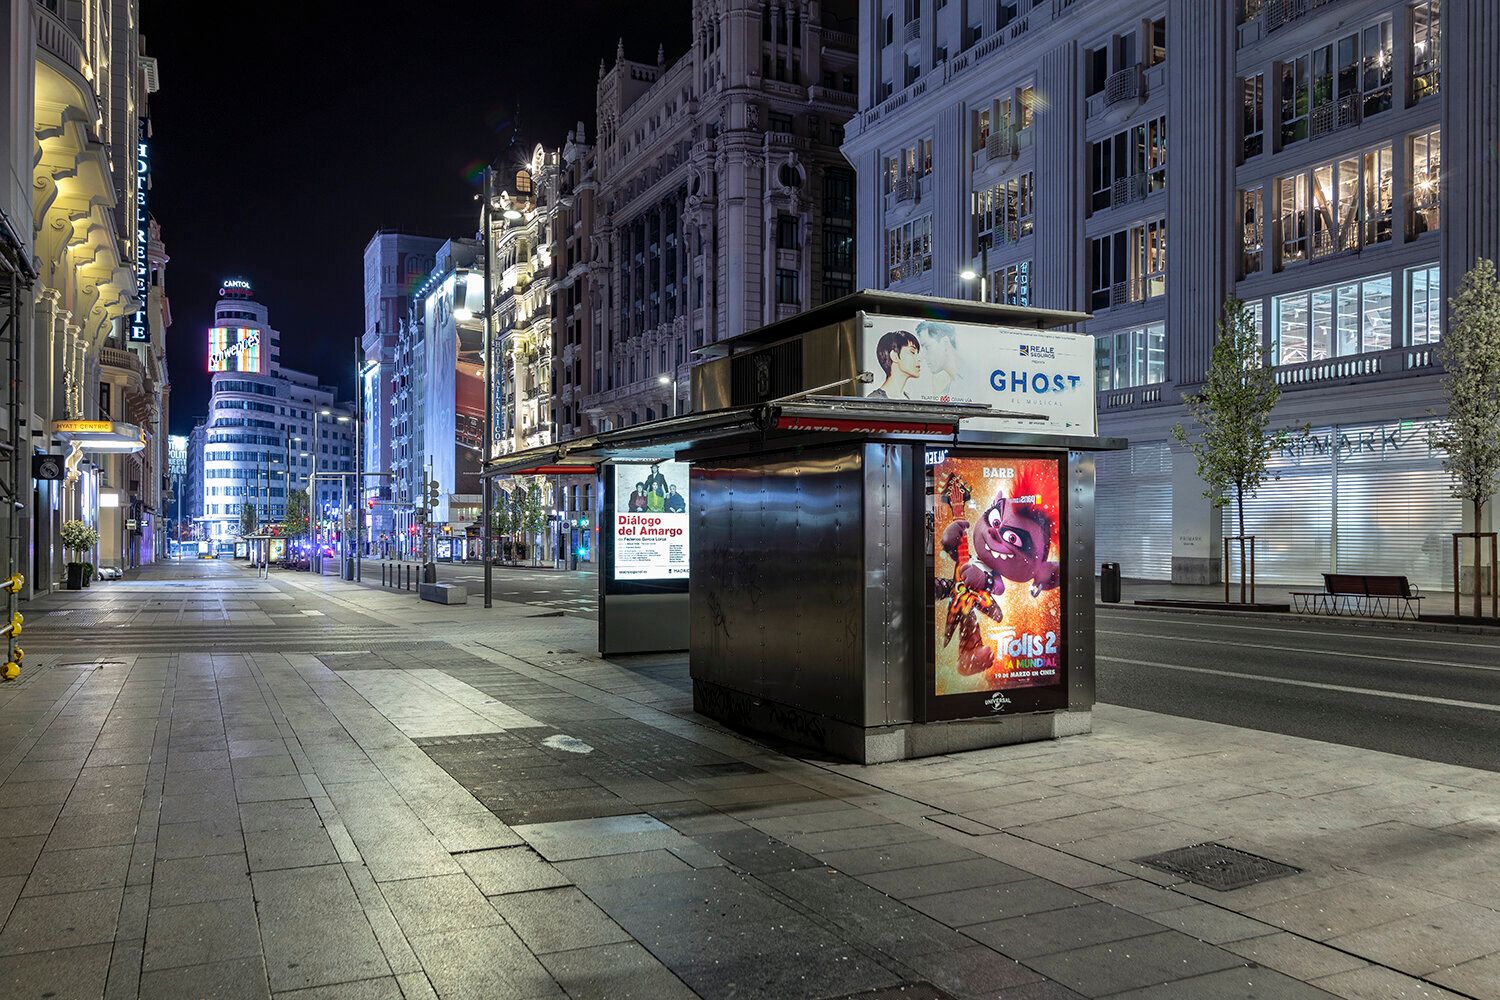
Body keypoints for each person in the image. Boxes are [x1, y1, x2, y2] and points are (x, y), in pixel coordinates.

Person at [870, 329, 922, 399]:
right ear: (894, 356)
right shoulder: (875, 399)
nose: (919, 359)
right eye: (912, 352)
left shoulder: (907, 398)